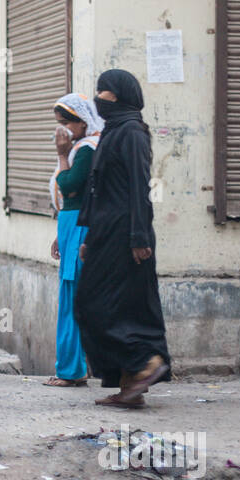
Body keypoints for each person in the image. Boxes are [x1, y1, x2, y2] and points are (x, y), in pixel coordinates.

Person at [74, 69, 171, 407]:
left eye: (106, 93)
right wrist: (89, 234)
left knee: (96, 304)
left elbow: (138, 187)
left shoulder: (131, 132)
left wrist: (139, 236)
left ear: (122, 96)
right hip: (107, 233)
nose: (99, 98)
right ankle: (132, 385)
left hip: (127, 234)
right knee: (118, 306)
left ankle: (146, 363)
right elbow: (97, 189)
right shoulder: (112, 132)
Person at [44, 92, 104, 387]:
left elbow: (69, 187)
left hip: (79, 225)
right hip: (71, 225)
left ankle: (71, 371)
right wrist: (60, 234)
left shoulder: (87, 149)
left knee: (71, 296)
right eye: (59, 122)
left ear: (83, 122)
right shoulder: (81, 147)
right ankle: (74, 367)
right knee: (71, 296)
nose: (62, 128)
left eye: (67, 122)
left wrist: (60, 154)